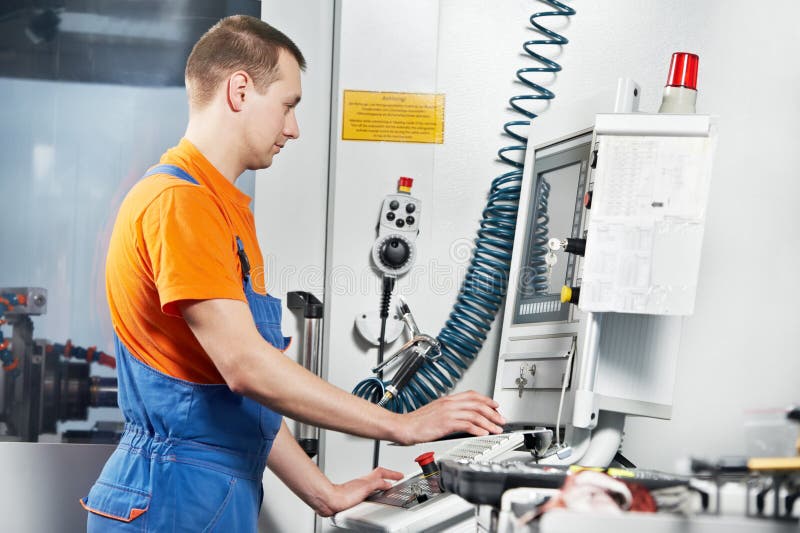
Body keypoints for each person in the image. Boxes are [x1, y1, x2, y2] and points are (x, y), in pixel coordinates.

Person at [81, 15, 505, 532]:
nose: (293, 128)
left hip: (202, 487)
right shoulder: (180, 203)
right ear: (239, 90)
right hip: (173, 494)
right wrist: (402, 425)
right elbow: (246, 365)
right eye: (287, 105)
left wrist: (322, 492)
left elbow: (236, 394)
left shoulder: (221, 208)